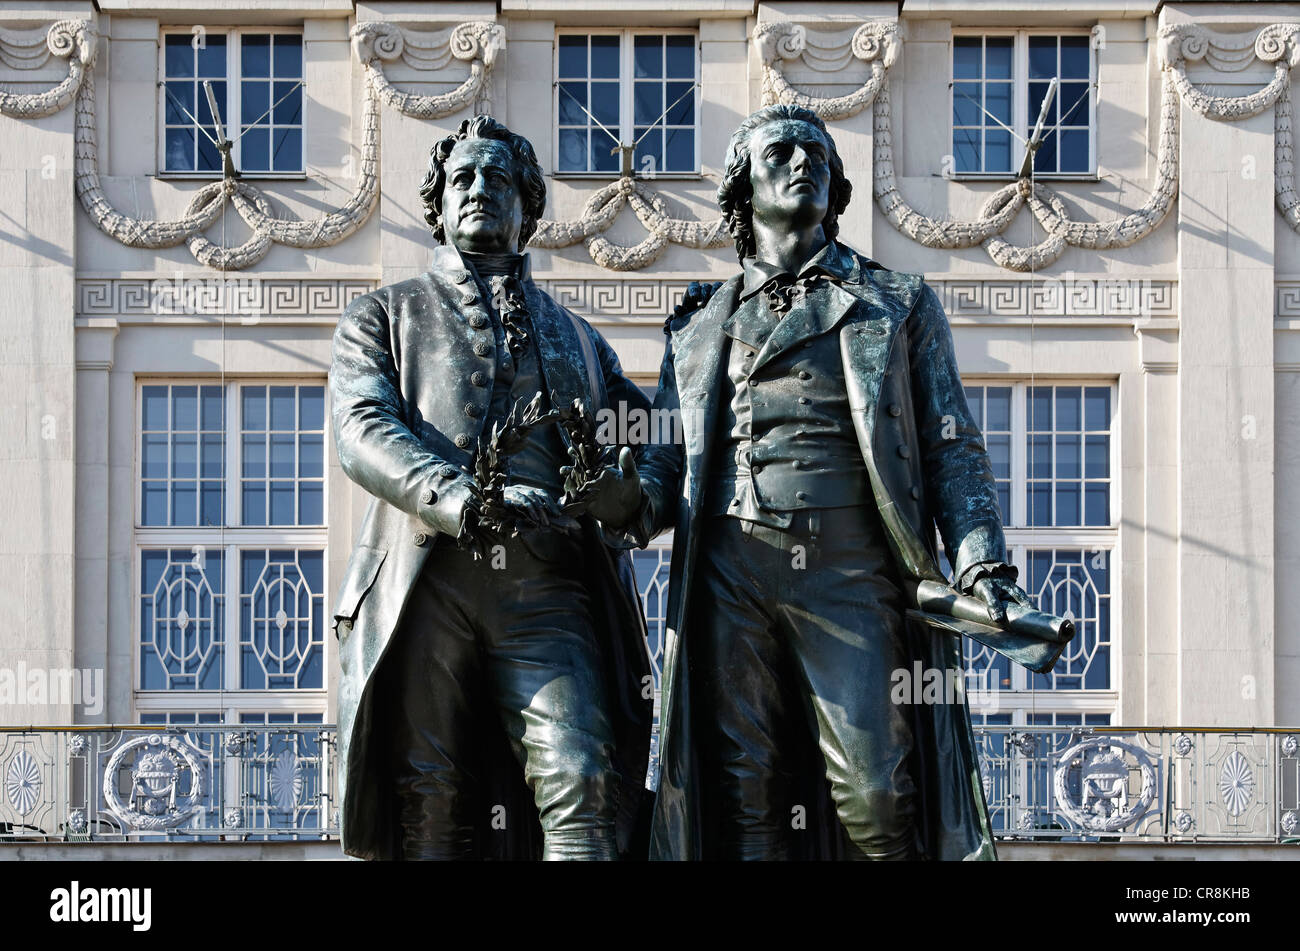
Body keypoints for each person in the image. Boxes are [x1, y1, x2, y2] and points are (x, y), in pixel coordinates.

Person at [606, 104, 1037, 860]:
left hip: (849, 570)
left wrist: (984, 562)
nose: (804, 162)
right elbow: (661, 472)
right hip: (729, 576)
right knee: (747, 794)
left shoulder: (896, 300)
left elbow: (951, 447)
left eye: (818, 154)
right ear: (743, 189)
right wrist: (613, 499)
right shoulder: (698, 325)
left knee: (876, 792)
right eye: (782, 152)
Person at [329, 115, 651, 860]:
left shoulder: (579, 337)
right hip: (426, 579)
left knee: (584, 779)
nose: (478, 189)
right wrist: (461, 497)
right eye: (462, 178)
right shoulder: (385, 314)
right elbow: (363, 429)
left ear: (527, 208)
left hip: (550, 590)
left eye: (497, 178)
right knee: (429, 802)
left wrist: (632, 492)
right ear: (438, 204)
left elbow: (657, 439)